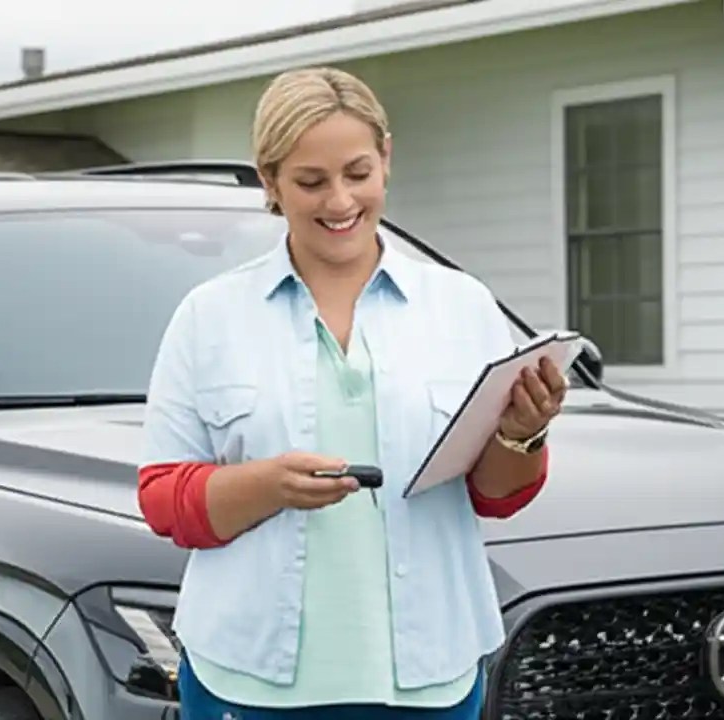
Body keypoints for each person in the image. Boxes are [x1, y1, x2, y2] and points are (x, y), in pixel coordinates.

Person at [138, 66, 568, 720]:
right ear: (270, 180)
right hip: (248, 680)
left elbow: (495, 495)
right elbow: (165, 500)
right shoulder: (211, 315)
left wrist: (524, 431)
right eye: (311, 182)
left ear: (387, 159)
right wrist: (268, 485)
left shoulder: (463, 305)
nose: (339, 202)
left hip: (429, 679)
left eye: (358, 173)